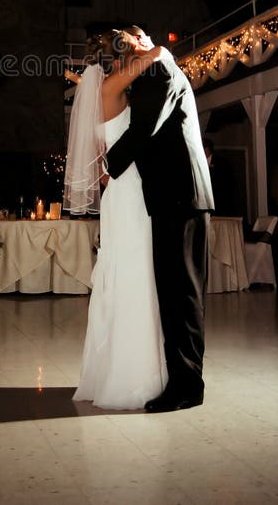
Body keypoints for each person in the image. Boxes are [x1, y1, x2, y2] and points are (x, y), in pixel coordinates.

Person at [106, 25, 215, 412]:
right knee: (179, 293)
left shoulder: (158, 69)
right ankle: (186, 382)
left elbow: (144, 127)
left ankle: (186, 388)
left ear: (141, 40)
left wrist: (106, 166)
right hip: (179, 195)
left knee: (180, 294)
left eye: (125, 43)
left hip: (178, 195)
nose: (122, 54)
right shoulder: (159, 68)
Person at [65, 29, 168, 410]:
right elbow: (157, 52)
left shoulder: (103, 91)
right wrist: (143, 43)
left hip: (122, 190)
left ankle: (119, 370)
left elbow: (103, 152)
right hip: (129, 195)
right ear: (121, 55)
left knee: (130, 275)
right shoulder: (112, 85)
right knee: (135, 277)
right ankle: (131, 377)